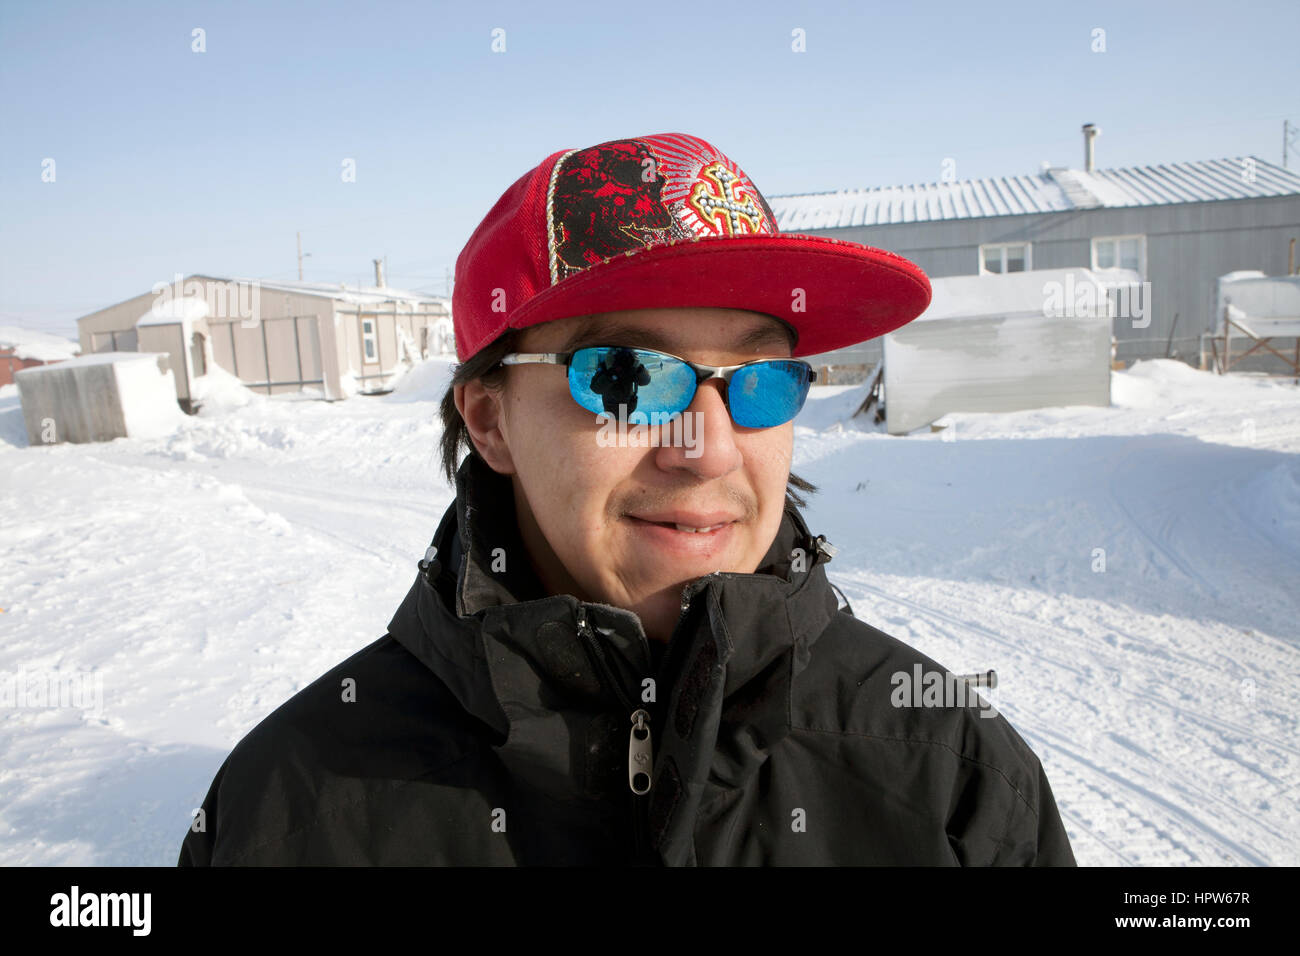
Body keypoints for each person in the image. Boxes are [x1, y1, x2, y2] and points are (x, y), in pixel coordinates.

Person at [178, 132, 1076, 866]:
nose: (712, 449)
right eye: (628, 377)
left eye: (761, 379)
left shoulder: (948, 770)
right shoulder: (295, 807)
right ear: (489, 420)